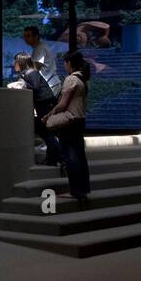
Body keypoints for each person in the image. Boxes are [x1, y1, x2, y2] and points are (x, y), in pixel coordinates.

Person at [45, 50, 91, 199]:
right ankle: (83, 189)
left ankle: (75, 190)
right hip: (80, 120)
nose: (64, 65)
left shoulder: (71, 79)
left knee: (70, 156)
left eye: (65, 62)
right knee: (79, 155)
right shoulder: (83, 79)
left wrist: (50, 114)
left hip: (70, 122)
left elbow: (63, 104)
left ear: (69, 63)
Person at [11, 53, 60, 165]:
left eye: (16, 62)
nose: (14, 64)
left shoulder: (31, 72)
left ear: (21, 62)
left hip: (45, 104)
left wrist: (21, 85)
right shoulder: (27, 73)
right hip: (42, 105)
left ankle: (59, 157)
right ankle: (53, 158)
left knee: (46, 132)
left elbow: (35, 87)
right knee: (45, 132)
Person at [23, 27, 62, 94]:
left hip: (50, 84)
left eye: (28, 36)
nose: (25, 39)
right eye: (24, 36)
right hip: (51, 83)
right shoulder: (40, 47)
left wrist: (27, 62)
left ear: (36, 37)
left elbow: (36, 68)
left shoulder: (40, 48)